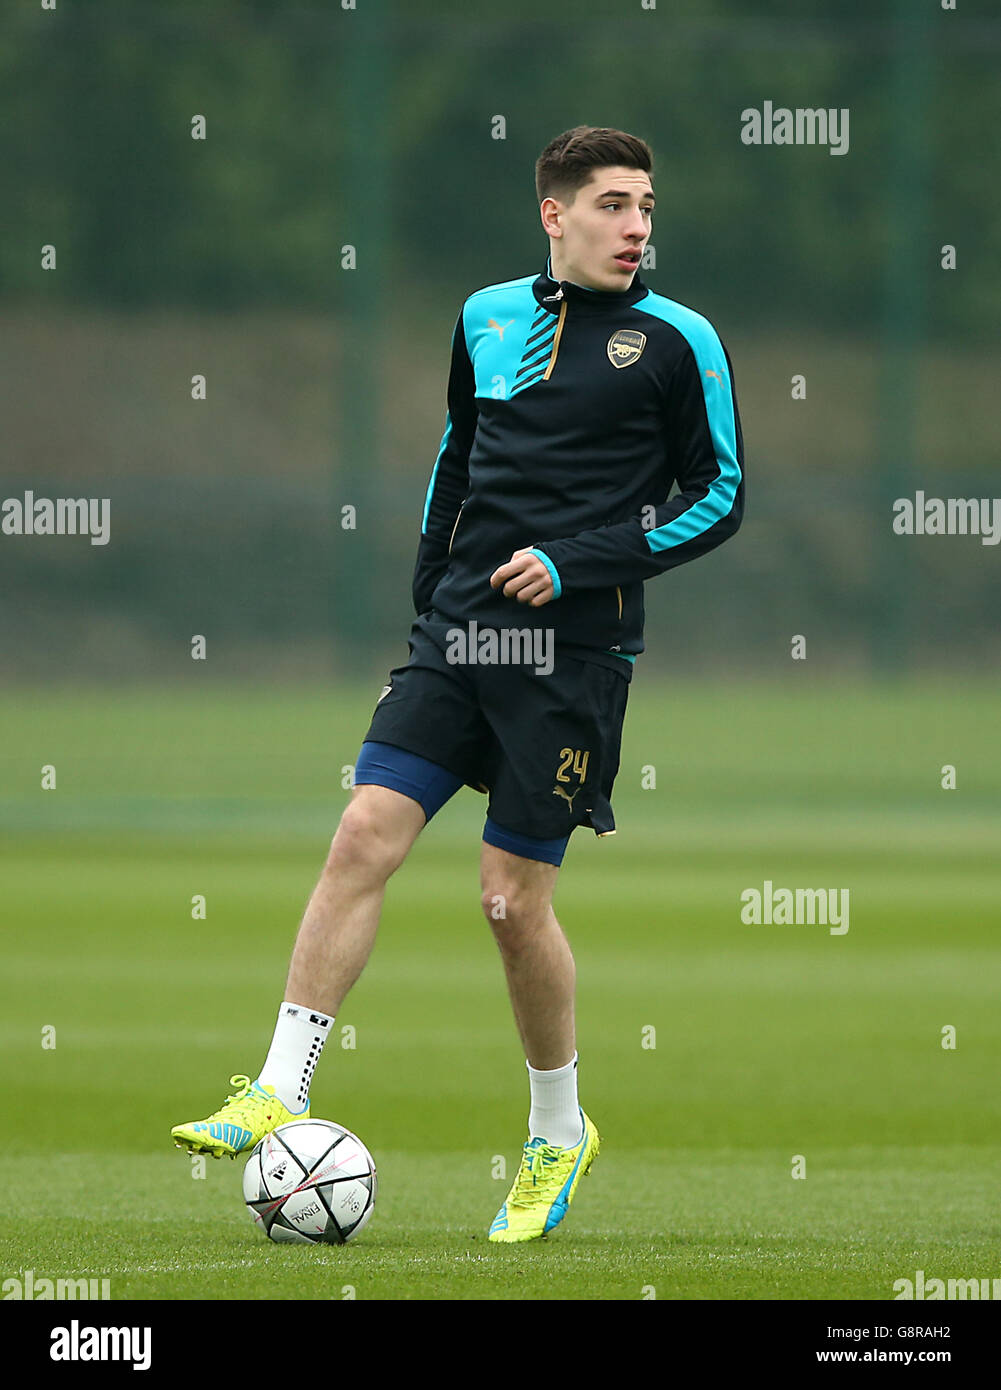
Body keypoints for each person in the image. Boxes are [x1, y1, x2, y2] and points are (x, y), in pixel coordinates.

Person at [171, 124, 744, 1243]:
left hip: (571, 661)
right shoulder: (484, 315)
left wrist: (578, 563)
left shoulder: (679, 340)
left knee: (506, 901)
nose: (635, 228)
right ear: (553, 213)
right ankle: (278, 1085)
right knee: (361, 836)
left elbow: (717, 492)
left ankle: (553, 1132)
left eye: (644, 208)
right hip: (459, 640)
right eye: (613, 206)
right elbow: (456, 456)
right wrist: (431, 597)